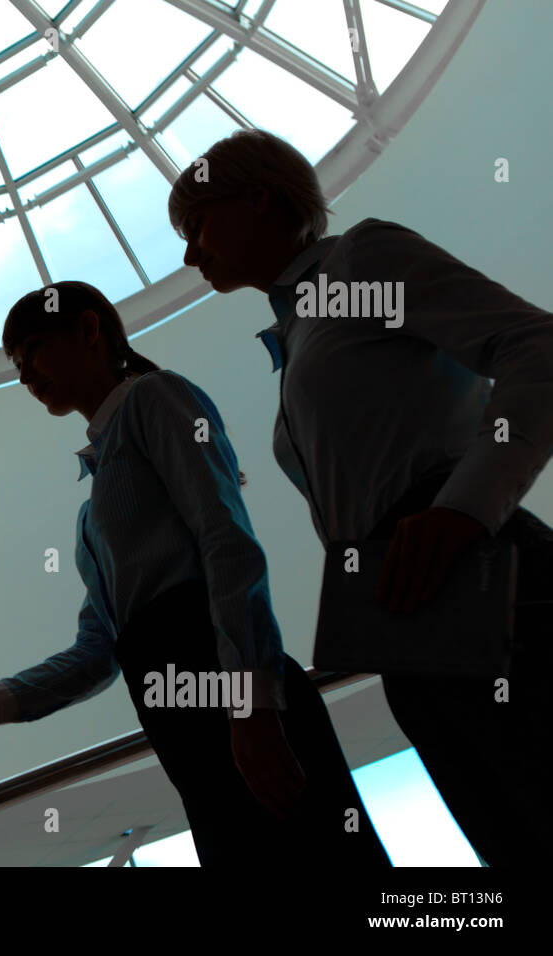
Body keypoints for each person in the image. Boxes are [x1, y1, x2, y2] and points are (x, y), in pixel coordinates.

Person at [0, 281, 389, 867]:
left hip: (223, 685)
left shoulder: (155, 397)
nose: (24, 373)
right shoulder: (89, 518)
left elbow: (226, 540)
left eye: (31, 349)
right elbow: (96, 655)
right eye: (16, 364)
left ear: (87, 331)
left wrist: (250, 703)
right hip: (176, 716)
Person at [167, 127, 553, 866]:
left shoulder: (361, 258)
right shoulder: (299, 332)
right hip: (401, 610)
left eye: (198, 225)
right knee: (502, 819)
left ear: (257, 199)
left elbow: (537, 346)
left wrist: (463, 508)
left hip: (471, 567)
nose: (190, 253)